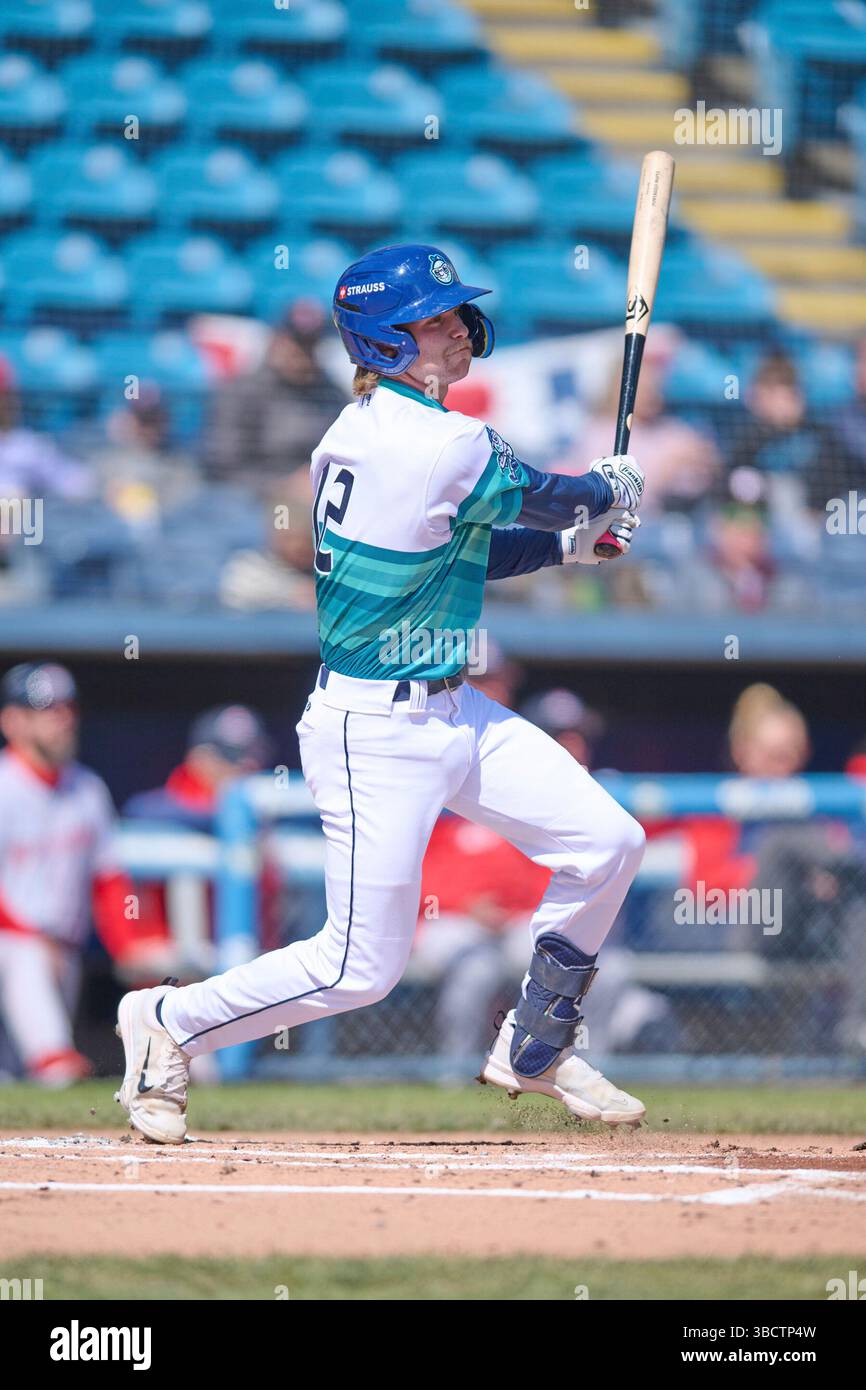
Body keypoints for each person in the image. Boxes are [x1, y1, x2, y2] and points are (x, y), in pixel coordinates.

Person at [115, 242, 647, 1143]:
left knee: (608, 841)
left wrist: (573, 540)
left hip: (450, 706)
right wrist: (609, 487)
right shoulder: (438, 440)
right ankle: (168, 1021)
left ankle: (539, 1040)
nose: (454, 330)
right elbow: (541, 495)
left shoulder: (360, 435)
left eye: (450, 315)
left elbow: (467, 544)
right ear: (386, 341)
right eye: (432, 320)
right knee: (360, 968)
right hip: (376, 728)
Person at [0, 662, 150, 1085]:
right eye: (47, 710)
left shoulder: (87, 788)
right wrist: (31, 937)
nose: (63, 720)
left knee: (14, 1078)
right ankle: (56, 1060)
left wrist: (131, 947)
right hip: (15, 948)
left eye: (67, 708)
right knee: (51, 1062)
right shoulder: (4, 784)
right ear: (13, 721)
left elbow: (110, 883)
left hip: (62, 954)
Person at [201, 299, 347, 495]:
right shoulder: (241, 392)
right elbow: (220, 466)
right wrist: (282, 486)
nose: (303, 353)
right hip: (249, 502)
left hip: (316, 497)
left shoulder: (331, 394)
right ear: (277, 340)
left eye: (311, 344)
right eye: (297, 343)